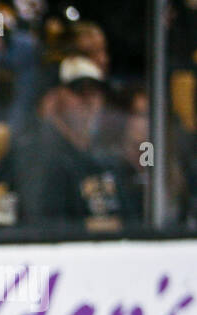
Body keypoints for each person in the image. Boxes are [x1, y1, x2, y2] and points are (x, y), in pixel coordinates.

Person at [6, 56, 123, 233]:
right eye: (79, 92)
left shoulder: (105, 157)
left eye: (96, 93)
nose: (90, 101)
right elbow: (42, 226)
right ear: (51, 99)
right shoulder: (38, 155)